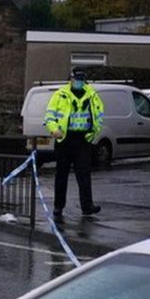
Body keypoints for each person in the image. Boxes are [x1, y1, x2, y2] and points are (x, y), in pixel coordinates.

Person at [44, 67, 104, 223]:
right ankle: (58, 206)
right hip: (65, 139)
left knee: (84, 175)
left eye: (81, 80)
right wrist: (54, 130)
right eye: (76, 79)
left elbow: (99, 115)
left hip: (83, 139)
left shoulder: (92, 95)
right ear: (70, 79)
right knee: (61, 175)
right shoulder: (60, 95)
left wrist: (93, 133)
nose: (78, 82)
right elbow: (49, 116)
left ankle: (87, 206)